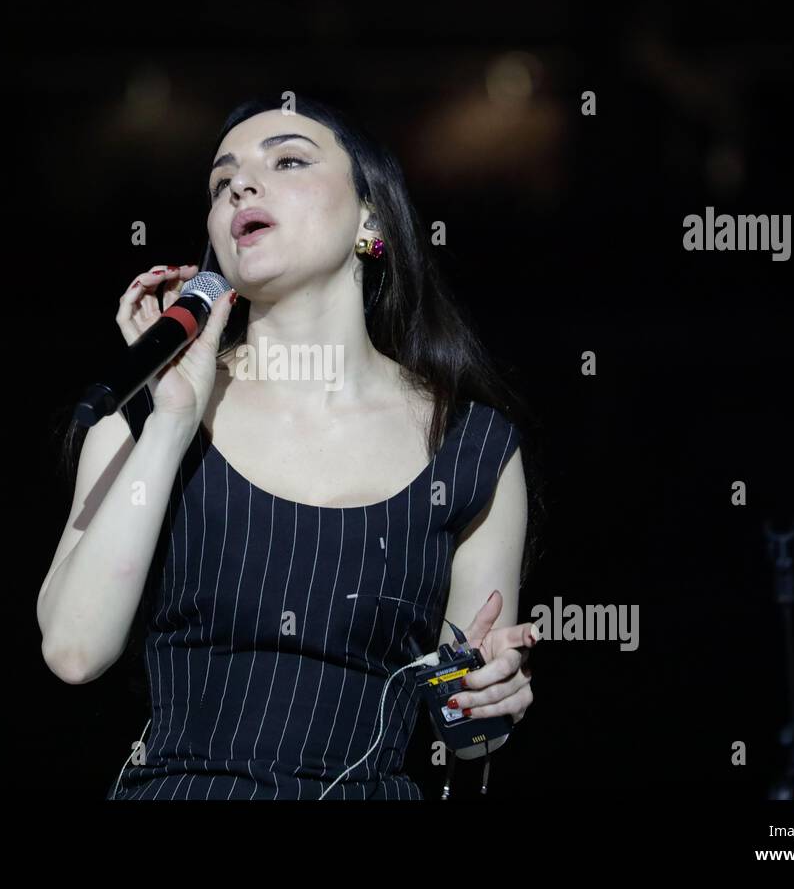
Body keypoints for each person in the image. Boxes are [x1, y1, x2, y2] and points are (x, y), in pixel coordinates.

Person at [37, 94, 539, 799]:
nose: (241, 184)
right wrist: (175, 419)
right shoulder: (146, 411)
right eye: (222, 181)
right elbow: (74, 650)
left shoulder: (472, 448)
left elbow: (468, 734)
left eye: (290, 160)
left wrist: (487, 699)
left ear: (371, 217)